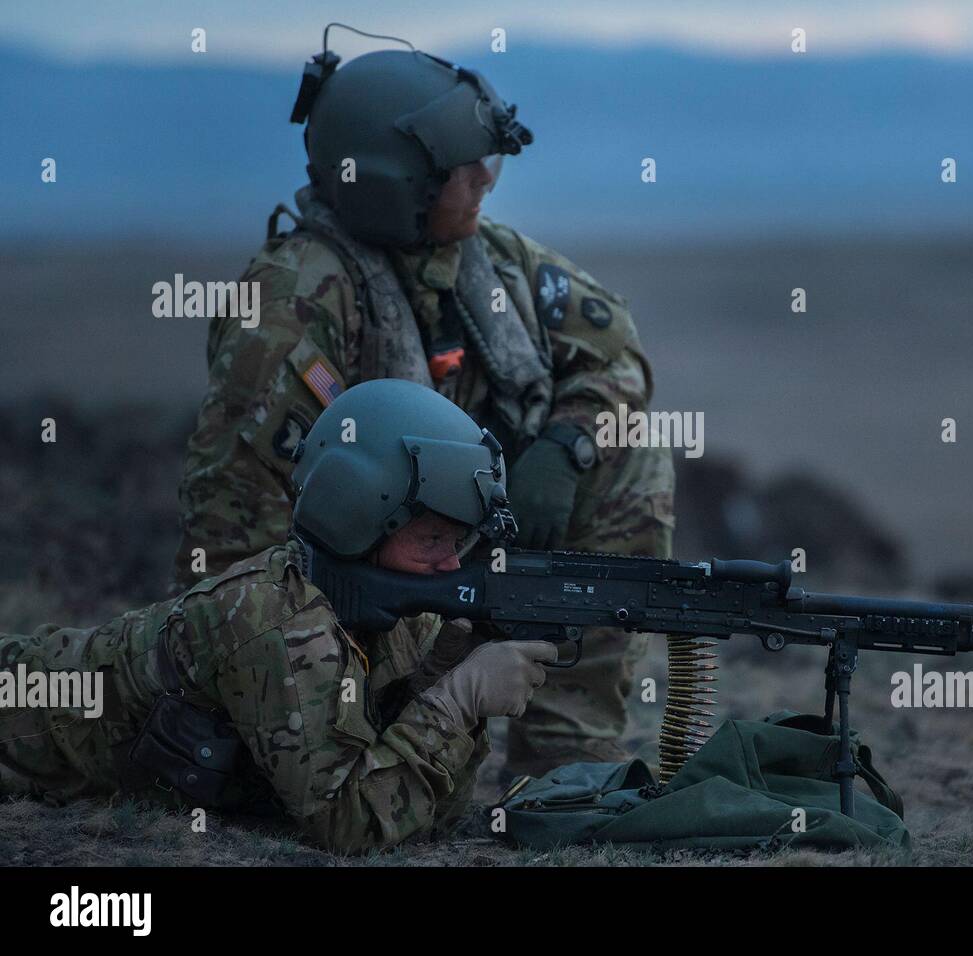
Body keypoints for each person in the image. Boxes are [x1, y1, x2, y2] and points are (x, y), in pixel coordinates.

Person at [173, 28, 674, 778]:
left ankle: (568, 760)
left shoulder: (490, 261)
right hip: (354, 594)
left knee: (630, 455)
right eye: (462, 168)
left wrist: (564, 449)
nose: (487, 180)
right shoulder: (290, 306)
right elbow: (236, 522)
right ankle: (374, 745)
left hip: (452, 545)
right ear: (394, 184)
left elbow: (617, 359)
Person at [0, 380, 557, 853]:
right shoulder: (272, 621)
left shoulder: (397, 612)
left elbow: (420, 814)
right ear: (354, 516)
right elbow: (347, 825)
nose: (452, 563)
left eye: (460, 540)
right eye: (433, 537)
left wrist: (444, 674)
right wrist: (454, 702)